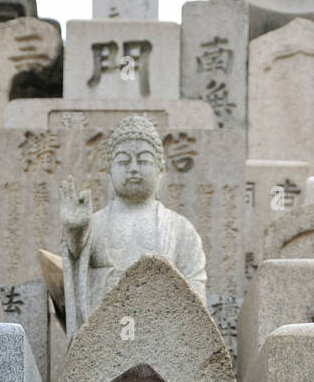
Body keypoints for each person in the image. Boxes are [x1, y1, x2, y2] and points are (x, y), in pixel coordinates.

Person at [59, 114, 208, 338]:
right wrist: (75, 233)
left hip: (164, 340)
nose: (133, 168)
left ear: (161, 171)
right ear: (109, 172)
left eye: (144, 160)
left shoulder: (180, 229)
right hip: (105, 339)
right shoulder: (94, 224)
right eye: (123, 161)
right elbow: (78, 284)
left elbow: (196, 293)